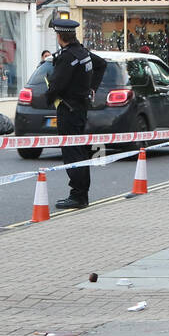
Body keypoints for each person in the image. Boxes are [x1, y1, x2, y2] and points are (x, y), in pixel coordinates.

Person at [46, 16, 107, 209]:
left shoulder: (68, 57)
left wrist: (47, 98)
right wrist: (92, 88)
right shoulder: (82, 53)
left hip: (69, 110)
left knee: (73, 153)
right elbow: (102, 64)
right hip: (80, 108)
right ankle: (81, 194)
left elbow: (57, 84)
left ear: (60, 36)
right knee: (79, 151)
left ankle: (78, 195)